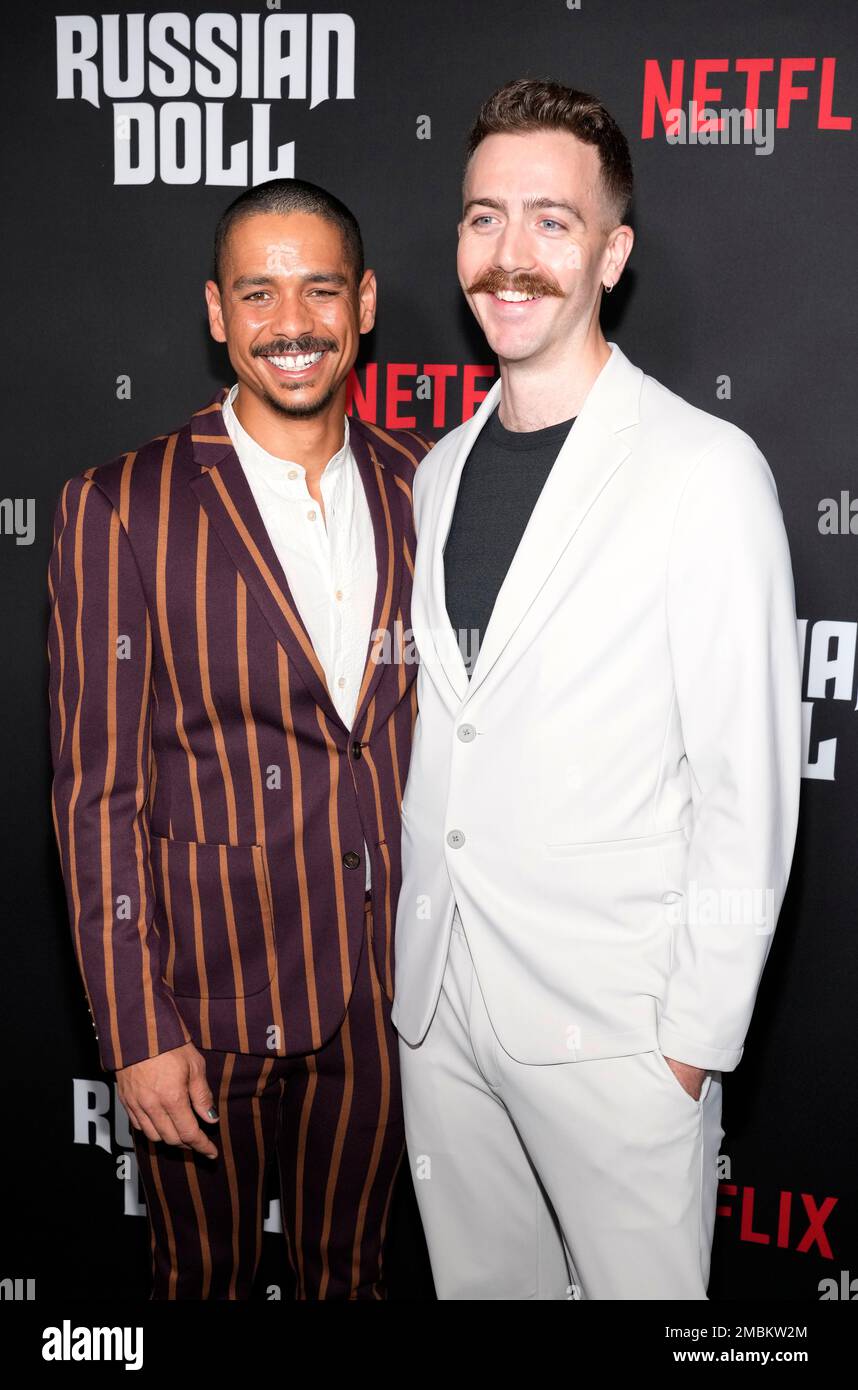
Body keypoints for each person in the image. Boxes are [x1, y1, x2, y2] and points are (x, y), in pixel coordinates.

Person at [392, 78, 803, 1300]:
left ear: (611, 252)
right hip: (441, 1007)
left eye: (548, 221)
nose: (506, 257)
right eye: (481, 218)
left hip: (616, 1033)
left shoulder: (703, 469)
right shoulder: (440, 469)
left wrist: (687, 1045)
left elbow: (747, 785)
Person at [47, 177, 431, 1299]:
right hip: (203, 999)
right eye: (258, 294)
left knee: (349, 1276)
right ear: (217, 312)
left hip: (387, 998)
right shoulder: (122, 504)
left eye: (318, 289)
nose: (291, 323)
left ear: (362, 304)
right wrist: (131, 1029)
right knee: (200, 1279)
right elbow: (95, 791)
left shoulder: (429, 487)